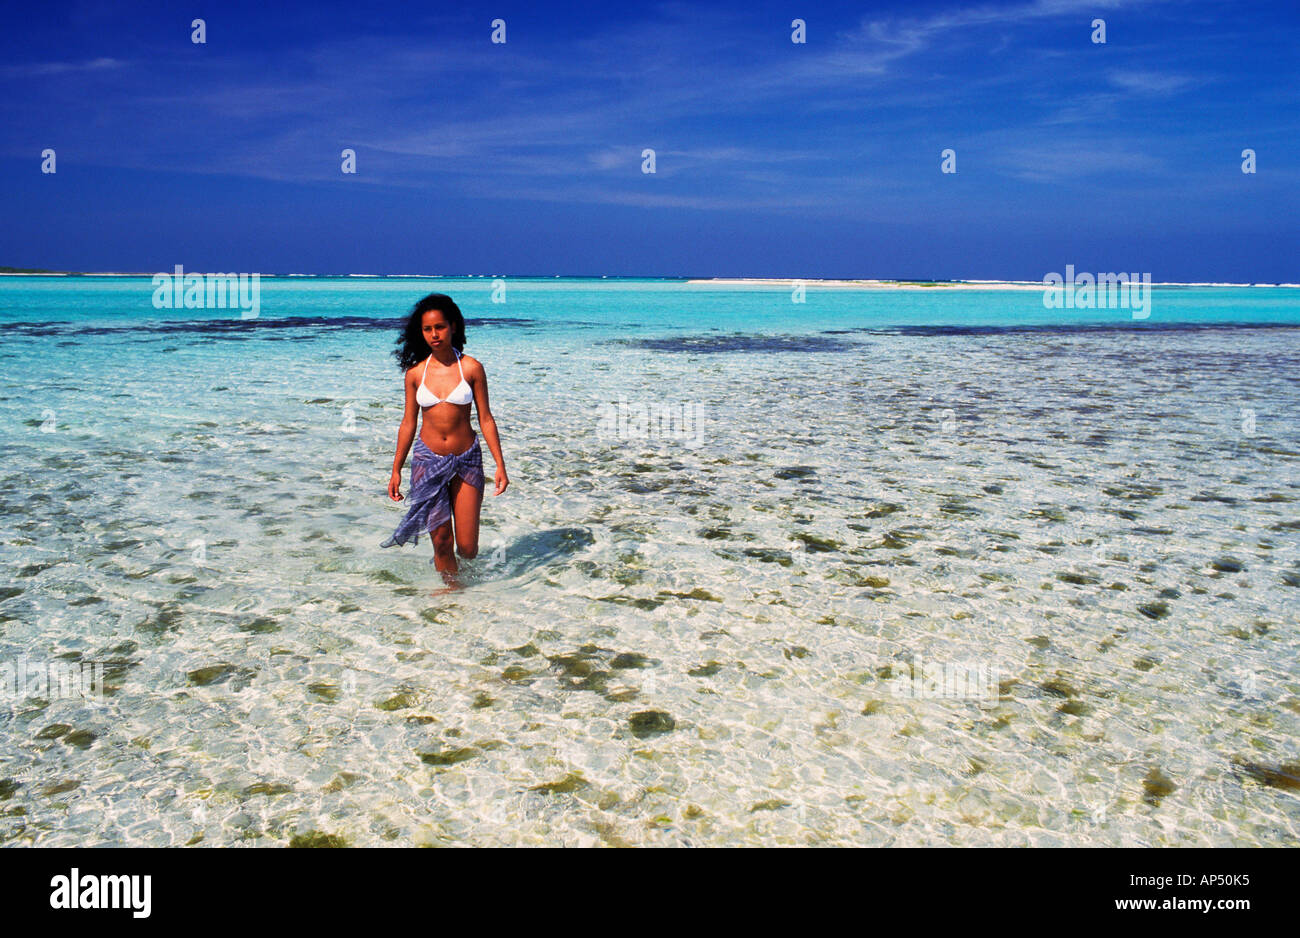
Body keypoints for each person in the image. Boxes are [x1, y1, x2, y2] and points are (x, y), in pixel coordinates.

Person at [381, 293, 508, 588]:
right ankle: (454, 593)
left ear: (452, 326)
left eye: (440, 327)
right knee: (440, 540)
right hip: (428, 460)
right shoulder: (415, 374)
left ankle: (459, 570)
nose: (434, 335)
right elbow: (408, 422)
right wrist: (396, 468)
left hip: (466, 459)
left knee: (467, 547)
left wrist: (500, 465)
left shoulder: (472, 368)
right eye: (427, 329)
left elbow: (486, 418)